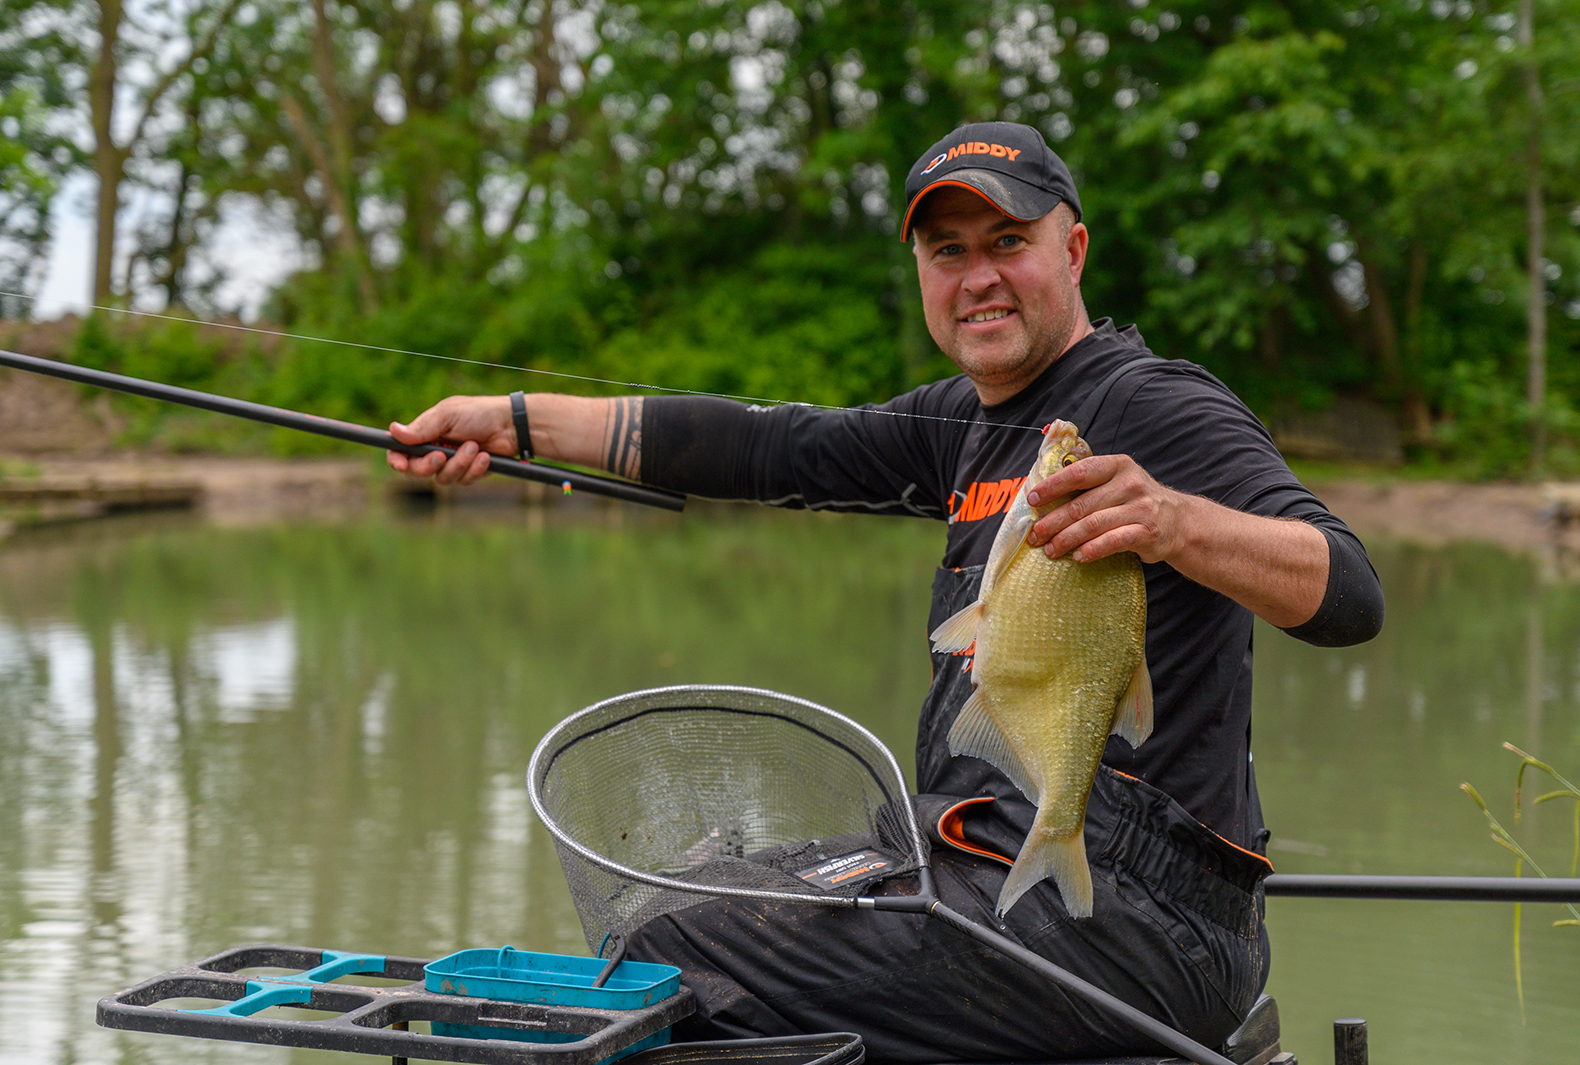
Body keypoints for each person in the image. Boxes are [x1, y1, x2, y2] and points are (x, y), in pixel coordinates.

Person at [388, 121, 1384, 1062]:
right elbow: (758, 443)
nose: (978, 277)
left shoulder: (1151, 403)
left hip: (1139, 915)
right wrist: (513, 421)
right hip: (972, 853)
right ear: (920, 274)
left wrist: (1175, 521)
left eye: (1008, 240)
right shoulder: (964, 419)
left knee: (683, 939)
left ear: (1073, 250)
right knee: (677, 900)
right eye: (947, 252)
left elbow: (1347, 591)